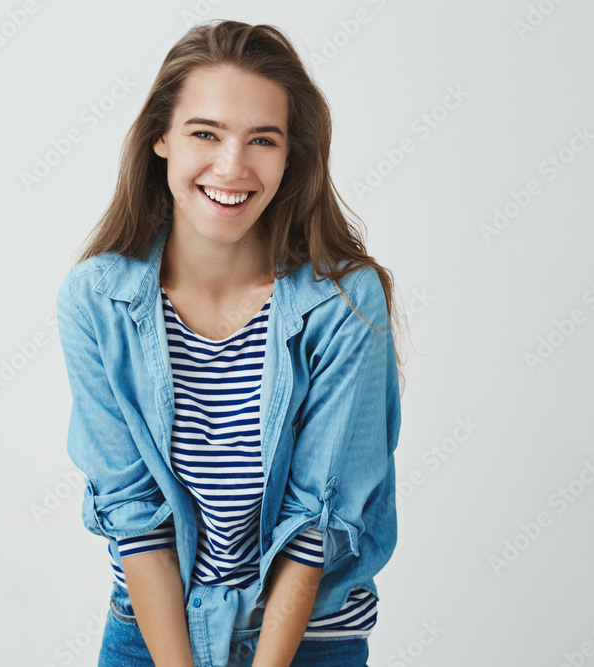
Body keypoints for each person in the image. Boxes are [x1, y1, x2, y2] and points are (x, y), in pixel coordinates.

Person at [55, 19, 406, 667]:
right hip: (152, 636)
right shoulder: (95, 300)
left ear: (290, 156)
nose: (233, 165)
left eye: (262, 140)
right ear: (161, 137)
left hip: (307, 642)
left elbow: (315, 524)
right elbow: (137, 517)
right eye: (205, 133)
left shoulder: (344, 302)